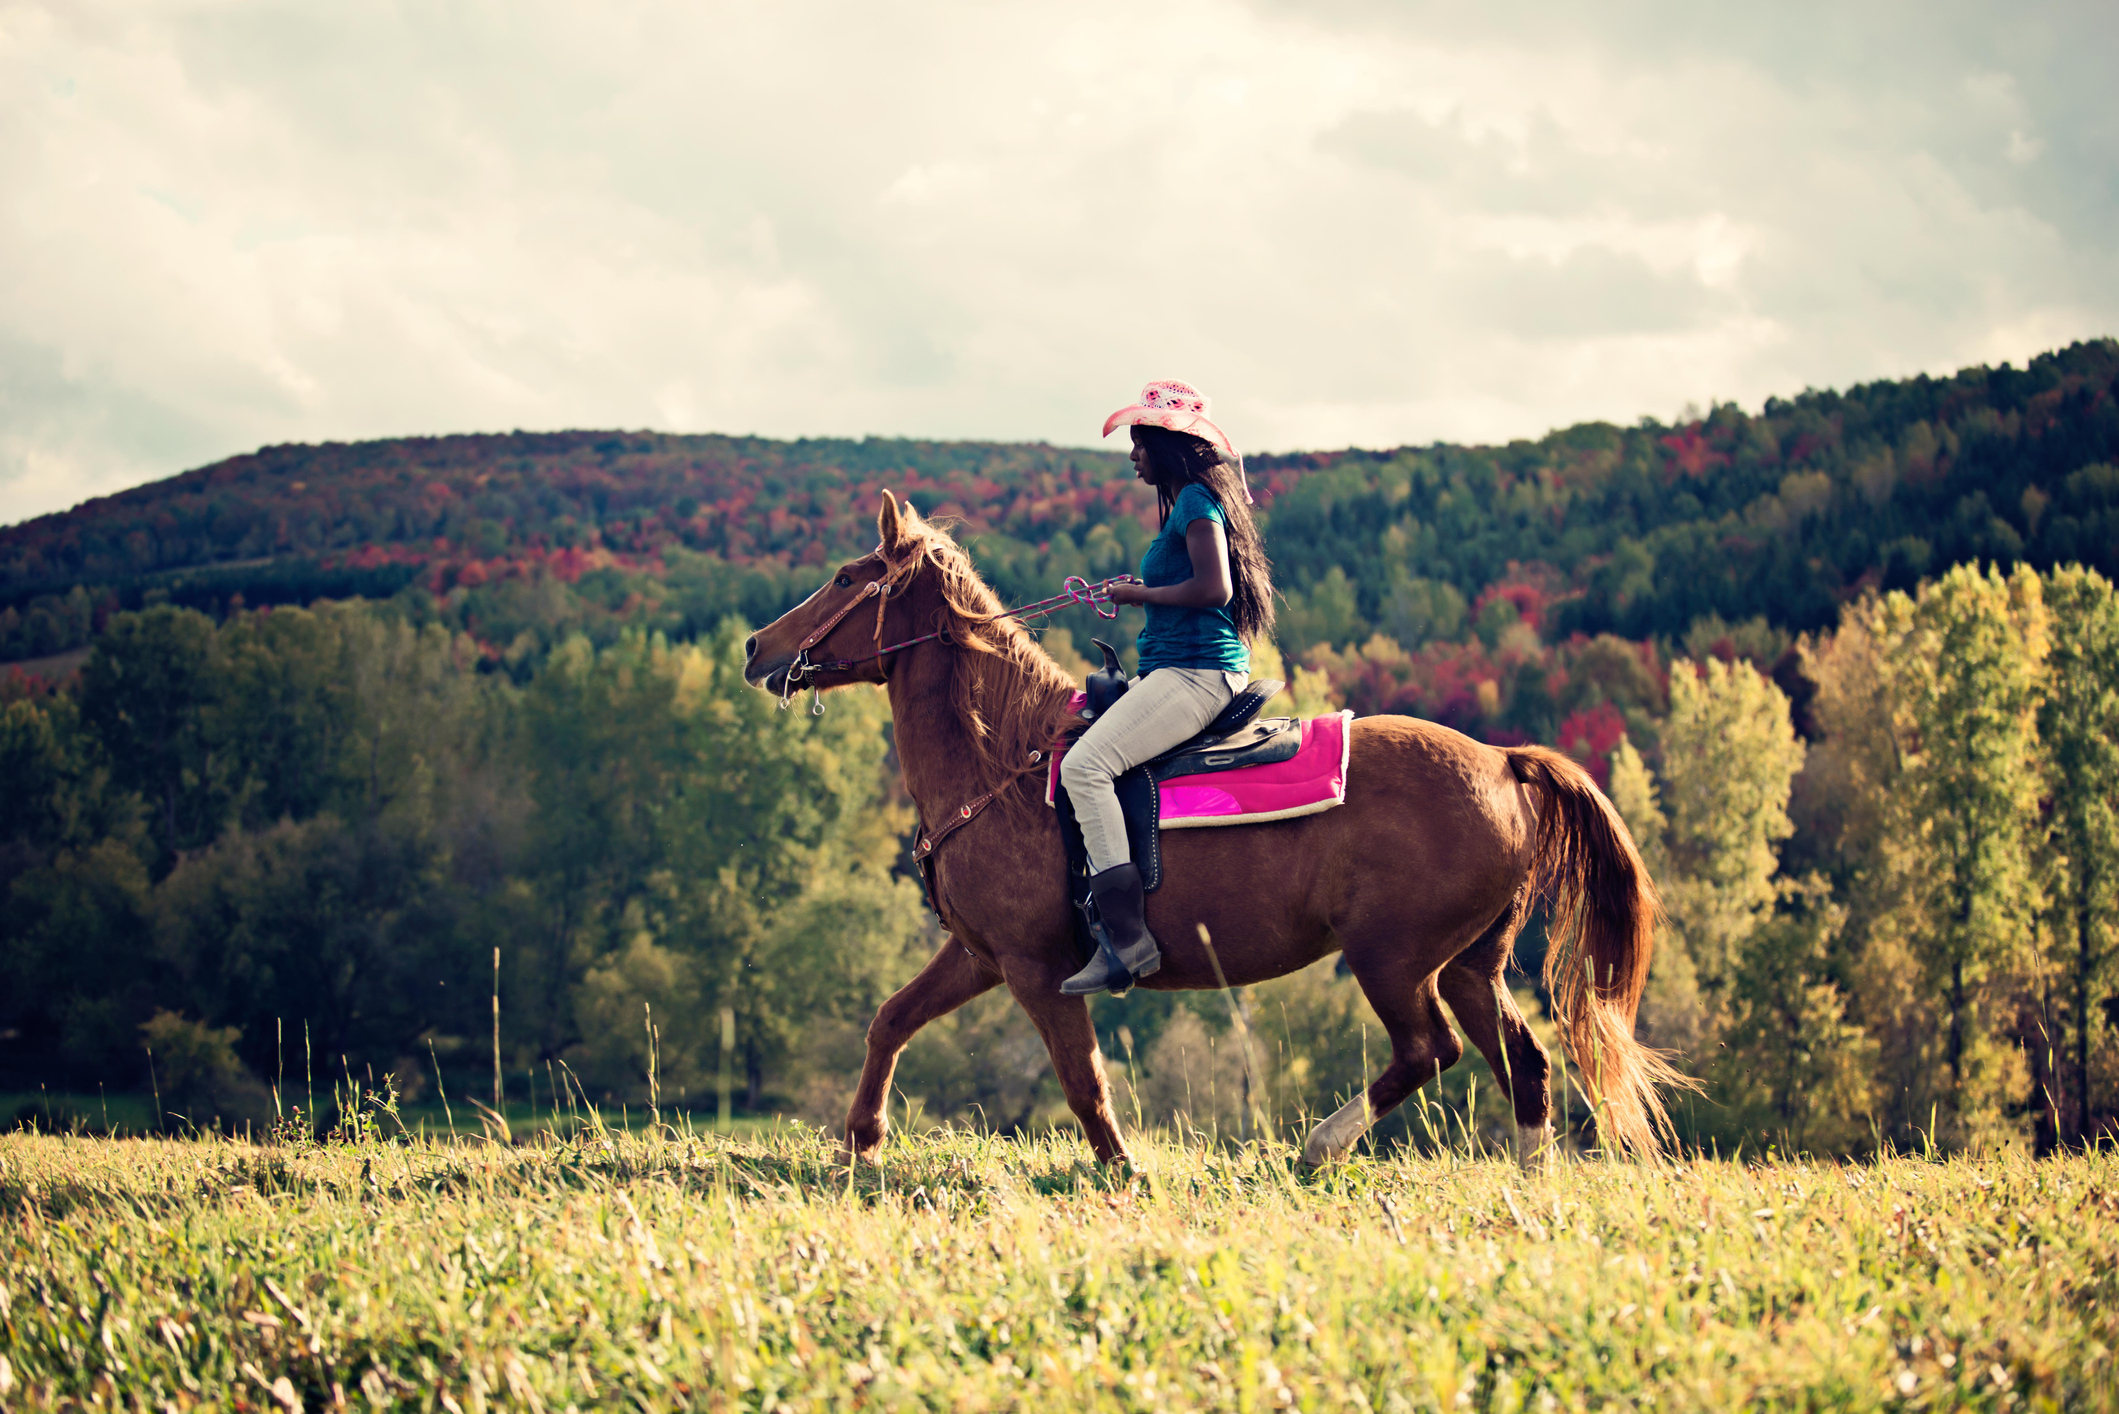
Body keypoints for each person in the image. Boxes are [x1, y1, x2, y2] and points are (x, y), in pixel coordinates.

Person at [1058, 380, 1278, 996]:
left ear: (1165, 446)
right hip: (1182, 670)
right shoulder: (1190, 503)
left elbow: (1216, 591)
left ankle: (1126, 940)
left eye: (1139, 443)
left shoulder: (1195, 505)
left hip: (1197, 676)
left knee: (1085, 768)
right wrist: (1147, 589)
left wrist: (1140, 595)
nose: (1133, 455)